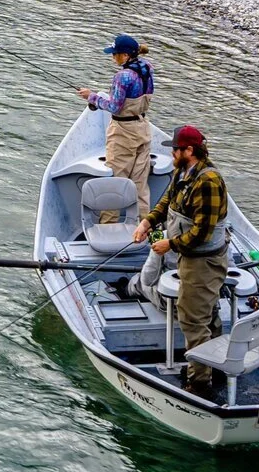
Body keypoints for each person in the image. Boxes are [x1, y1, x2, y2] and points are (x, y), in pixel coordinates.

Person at [128, 123, 231, 398]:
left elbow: (202, 233)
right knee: (207, 313)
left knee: (193, 319)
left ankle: (200, 384)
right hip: (190, 258)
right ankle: (215, 365)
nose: (172, 153)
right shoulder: (183, 171)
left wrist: (169, 245)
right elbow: (168, 202)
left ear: (189, 150)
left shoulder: (208, 182)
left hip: (204, 262)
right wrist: (148, 222)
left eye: (175, 149)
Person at [75, 35, 154, 219]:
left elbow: (114, 106)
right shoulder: (147, 68)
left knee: (115, 182)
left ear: (125, 56)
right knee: (140, 185)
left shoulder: (122, 77)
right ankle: (143, 228)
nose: (113, 58)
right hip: (142, 127)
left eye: (115, 54)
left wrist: (91, 96)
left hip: (123, 132)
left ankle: (109, 227)